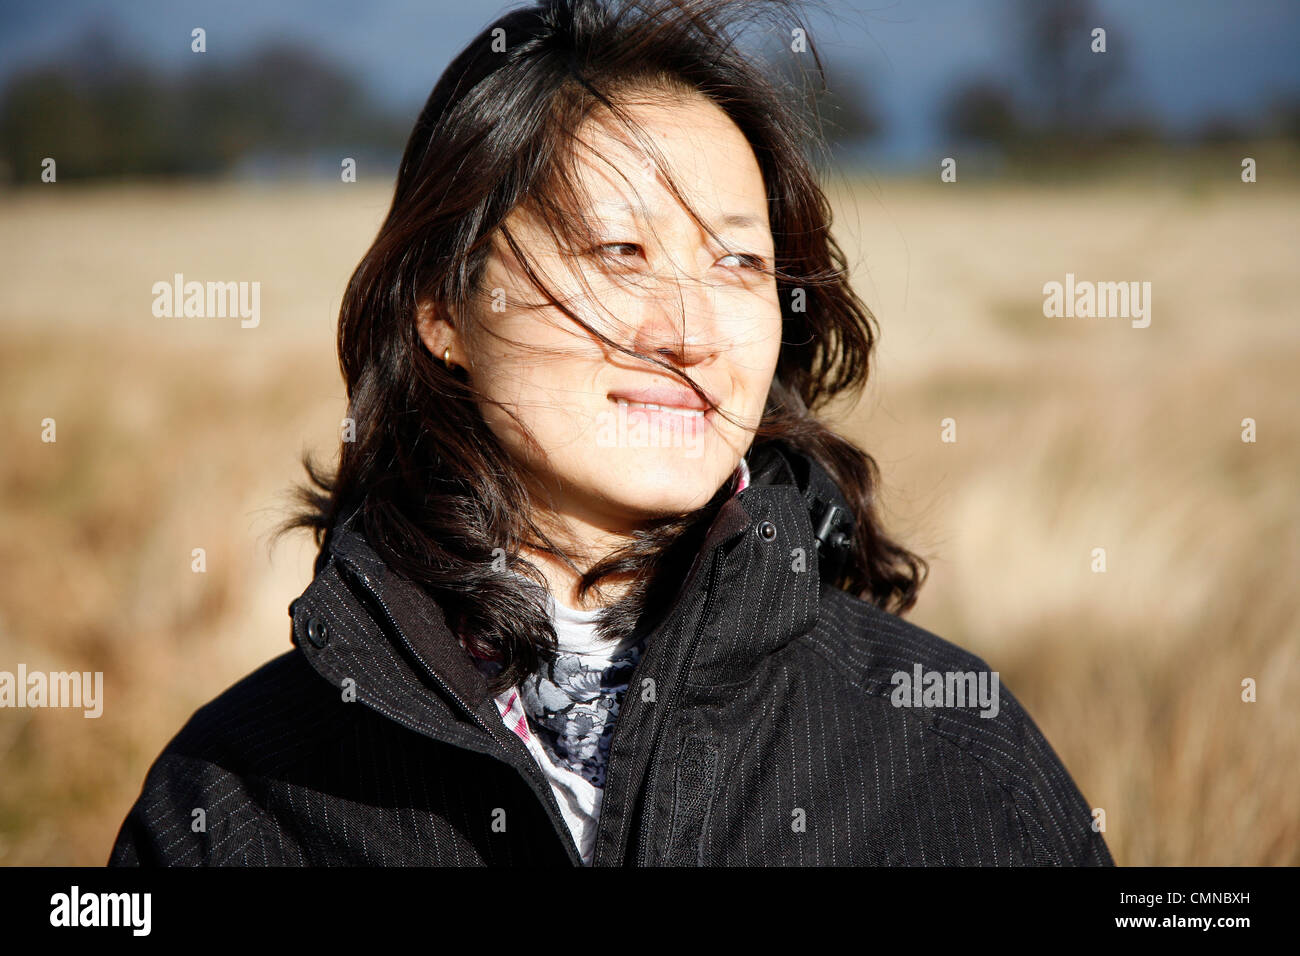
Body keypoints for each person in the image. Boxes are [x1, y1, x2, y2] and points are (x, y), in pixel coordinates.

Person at [109, 0, 1113, 867]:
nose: (684, 330)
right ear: (443, 308)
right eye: (618, 249)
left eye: (737, 264)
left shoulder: (946, 750)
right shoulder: (243, 792)